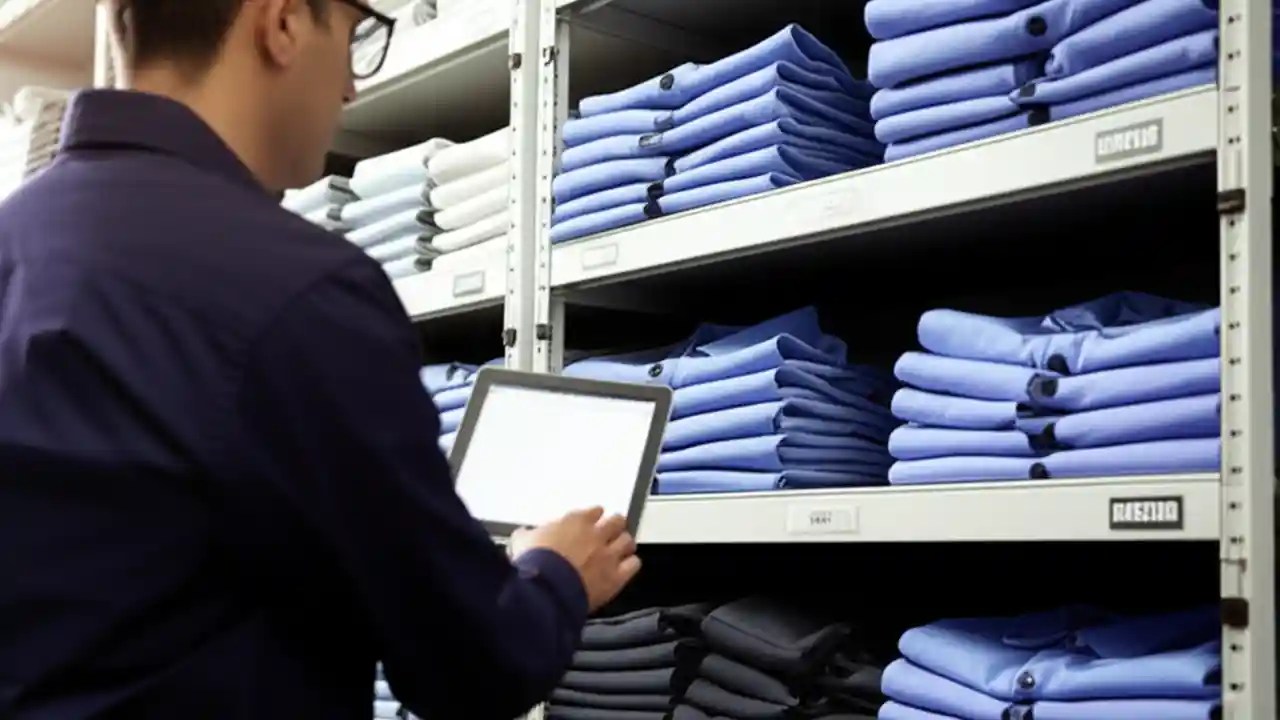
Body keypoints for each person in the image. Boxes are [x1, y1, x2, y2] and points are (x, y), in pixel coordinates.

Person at [0, 0, 642, 718]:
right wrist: (556, 573)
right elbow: (471, 667)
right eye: (355, 36)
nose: (350, 88)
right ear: (280, 24)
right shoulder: (297, 289)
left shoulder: (13, 241)